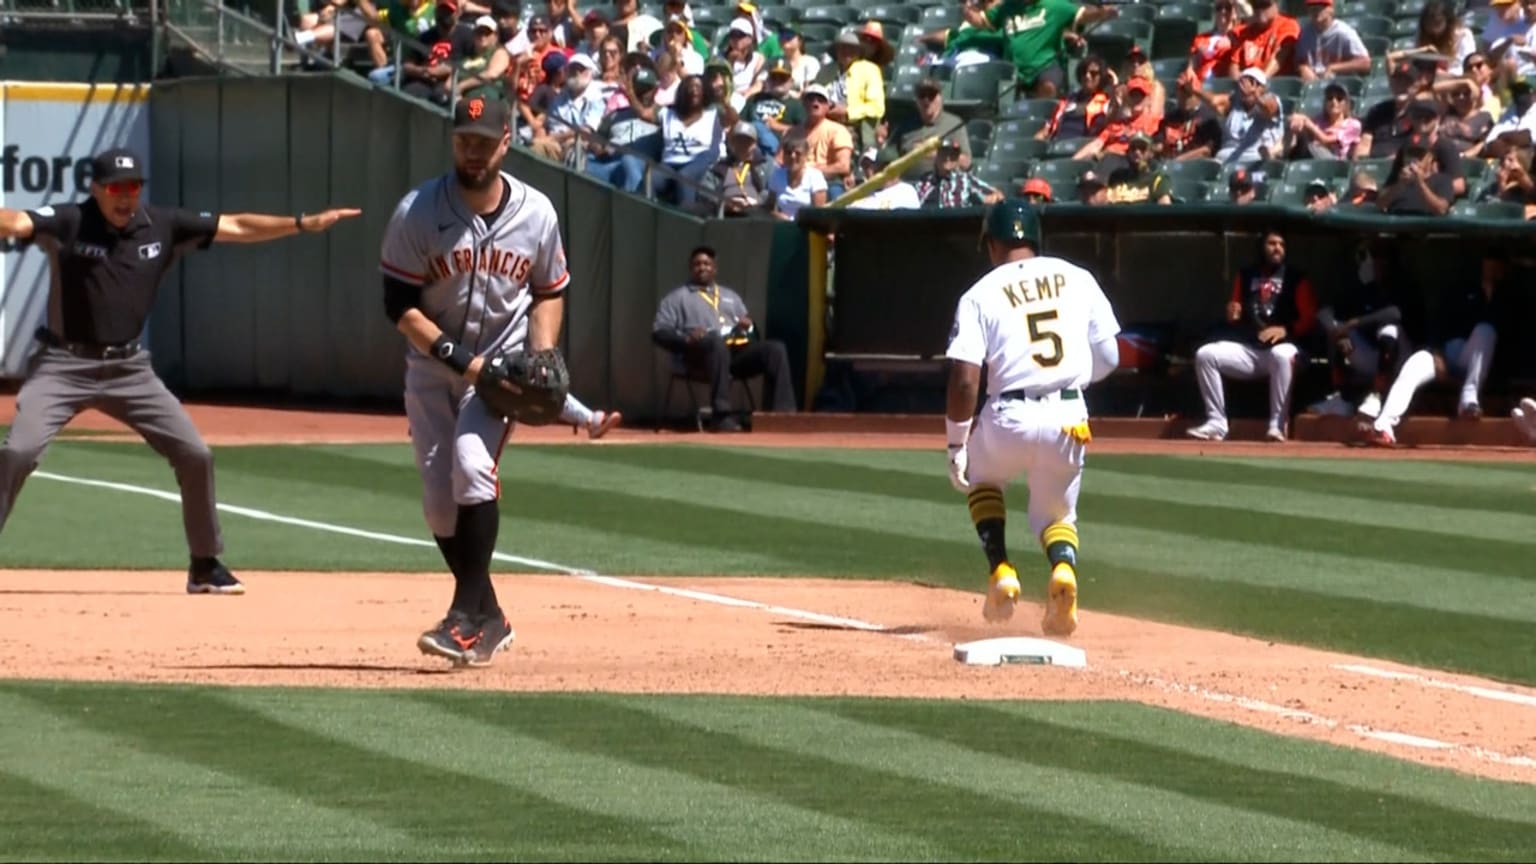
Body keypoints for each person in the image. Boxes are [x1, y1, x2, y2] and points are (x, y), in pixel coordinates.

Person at [0, 148, 359, 594]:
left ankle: (205, 565)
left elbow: (238, 225)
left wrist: (302, 223)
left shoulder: (164, 225)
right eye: (115, 187)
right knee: (18, 453)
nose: (125, 197)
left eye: (133, 187)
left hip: (129, 369)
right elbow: (15, 222)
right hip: (63, 364)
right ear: (96, 189)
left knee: (195, 454)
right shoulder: (71, 220)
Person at [379, 95, 568, 668]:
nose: (473, 150)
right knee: (440, 509)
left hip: (501, 368)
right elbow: (399, 307)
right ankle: (492, 616)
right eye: (464, 139)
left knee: (471, 464)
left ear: (506, 142)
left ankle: (464, 618)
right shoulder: (418, 212)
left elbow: (549, 289)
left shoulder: (536, 212)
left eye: (484, 141)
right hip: (433, 366)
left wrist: (540, 355)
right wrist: (462, 360)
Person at [943, 198, 1122, 635]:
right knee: (1056, 516)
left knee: (983, 480)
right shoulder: (1078, 278)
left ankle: (1000, 569)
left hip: (1009, 415)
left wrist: (955, 444)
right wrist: (1072, 381)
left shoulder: (980, 293)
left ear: (992, 245)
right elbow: (1110, 357)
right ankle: (1063, 569)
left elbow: (966, 381)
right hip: (1070, 417)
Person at [1364, 249, 1505, 446]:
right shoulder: (1462, 289)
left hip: (1476, 361)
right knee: (1414, 364)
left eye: (1496, 264)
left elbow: (1502, 334)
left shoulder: (1507, 296)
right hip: (1447, 353)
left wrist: (1491, 294)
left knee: (1485, 330)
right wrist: (1436, 351)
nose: (1491, 267)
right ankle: (1384, 425)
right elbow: (1440, 325)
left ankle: (1468, 401)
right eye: (1489, 262)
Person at [1187, 230, 1317, 442]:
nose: (1277, 248)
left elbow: (1310, 318)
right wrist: (1233, 313)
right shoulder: (1246, 275)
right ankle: (1216, 423)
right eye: (1272, 243)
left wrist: (1286, 330)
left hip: (1287, 349)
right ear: (1261, 247)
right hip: (1252, 349)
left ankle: (1276, 425)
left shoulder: (1296, 278)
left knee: (1280, 354)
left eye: (1282, 244)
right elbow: (1236, 312)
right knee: (1205, 354)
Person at [651, 245, 798, 431]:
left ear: (714, 269)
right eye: (697, 264)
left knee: (775, 349)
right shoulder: (677, 298)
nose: (702, 267)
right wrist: (686, 339)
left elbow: (753, 332)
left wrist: (749, 325)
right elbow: (659, 333)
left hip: (735, 355)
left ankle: (783, 415)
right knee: (715, 343)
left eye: (706, 263)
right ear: (691, 269)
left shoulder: (731, 297)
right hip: (697, 356)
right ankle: (721, 416)